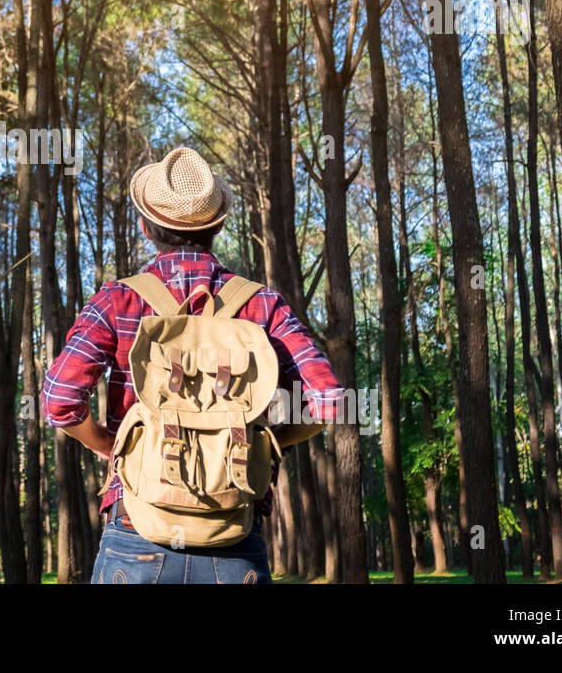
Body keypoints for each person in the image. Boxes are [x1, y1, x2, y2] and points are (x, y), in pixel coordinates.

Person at [41, 146, 344, 583]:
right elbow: (328, 401)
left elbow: (58, 400)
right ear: (218, 226)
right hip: (233, 534)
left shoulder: (118, 299)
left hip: (137, 529)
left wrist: (111, 444)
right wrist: (268, 442)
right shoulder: (263, 304)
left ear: (146, 227)